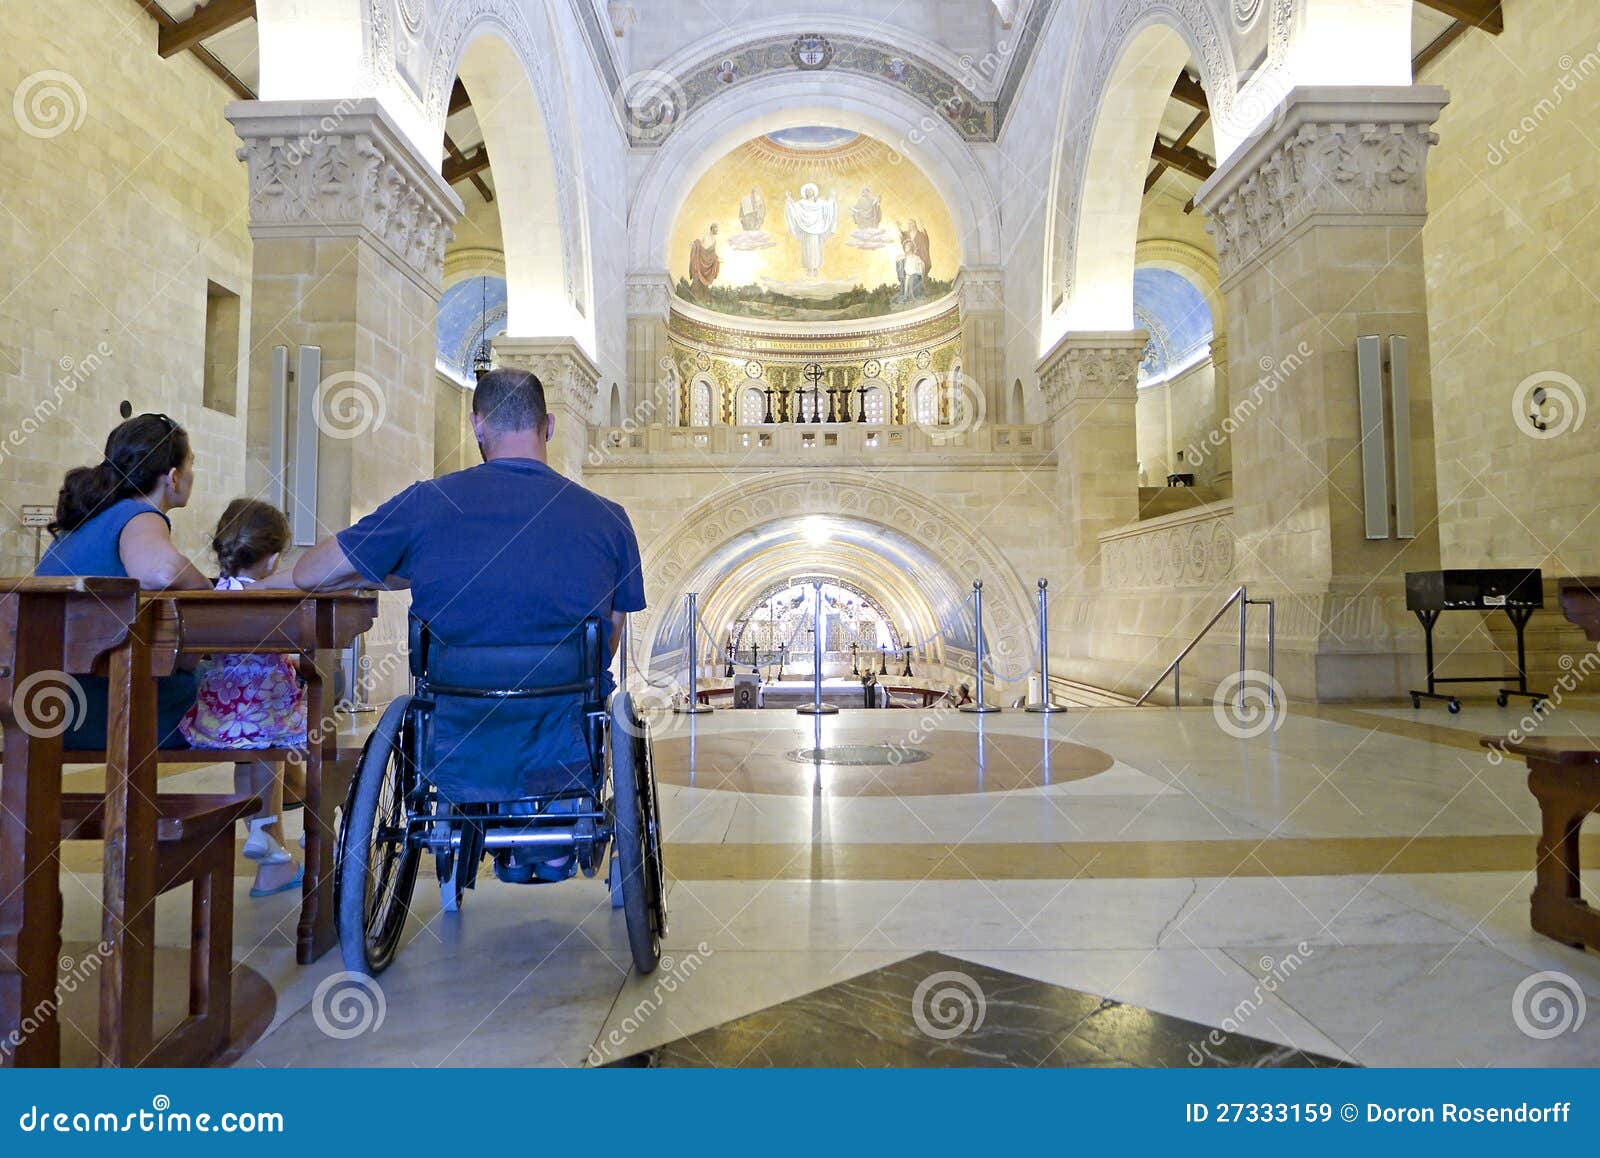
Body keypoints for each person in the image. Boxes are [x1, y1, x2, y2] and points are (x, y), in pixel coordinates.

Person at [293, 368, 647, 882]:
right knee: (589, 686)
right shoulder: (610, 518)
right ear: (548, 425)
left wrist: (399, 571)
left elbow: (310, 572)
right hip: (564, 721)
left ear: (478, 424)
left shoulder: (427, 503)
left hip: (457, 718)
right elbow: (609, 641)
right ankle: (551, 824)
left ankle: (475, 812)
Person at [36, 413, 211, 748]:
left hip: (46, 704)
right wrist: (205, 588)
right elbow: (160, 571)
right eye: (192, 463)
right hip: (105, 708)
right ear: (173, 478)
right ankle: (272, 801)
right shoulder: (139, 514)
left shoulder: (88, 519)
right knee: (263, 690)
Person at [178, 499, 306, 897]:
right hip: (266, 702)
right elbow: (299, 644)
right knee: (271, 757)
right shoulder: (274, 595)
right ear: (271, 560)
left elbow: (197, 652)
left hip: (223, 707)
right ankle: (266, 829)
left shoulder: (212, 592)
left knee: (245, 758)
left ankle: (256, 831)